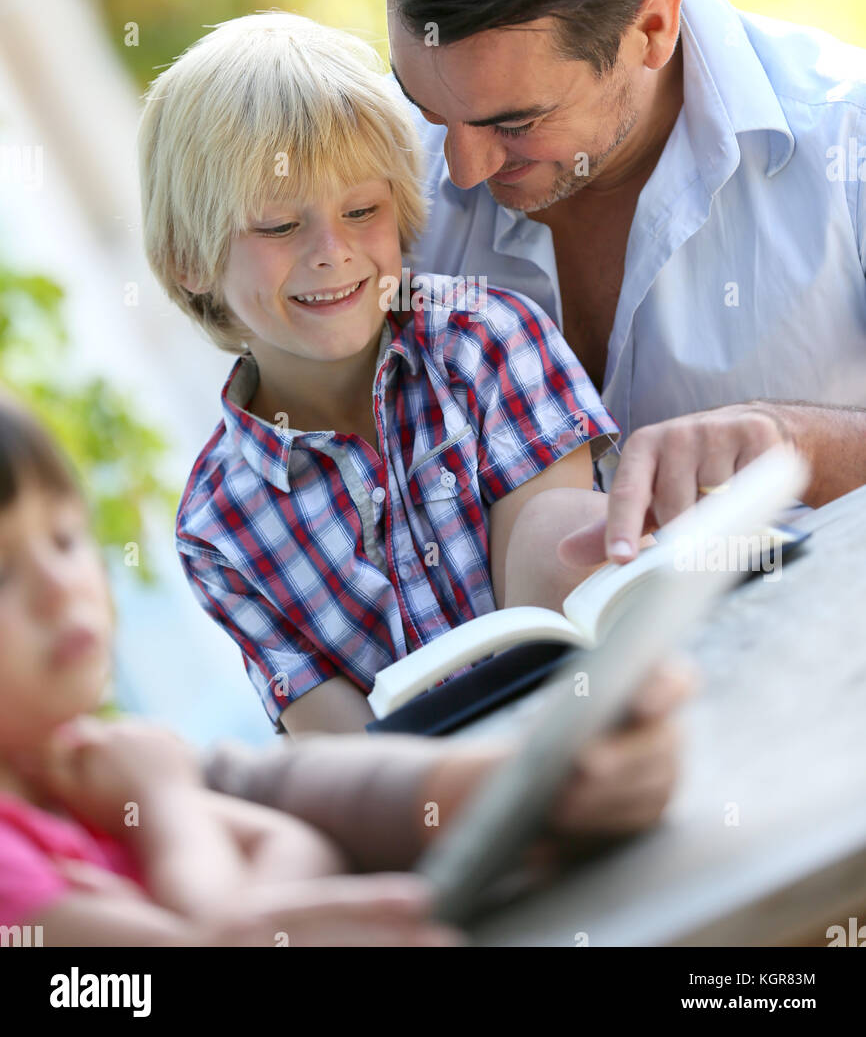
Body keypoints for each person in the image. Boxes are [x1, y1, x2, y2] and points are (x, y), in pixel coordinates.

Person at [362, 0, 866, 572]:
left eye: (514, 124)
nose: (457, 168)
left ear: (653, 29)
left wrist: (797, 444)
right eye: (419, 99)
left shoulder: (848, 138)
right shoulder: (376, 207)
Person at [0, 389, 689, 946]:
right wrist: (170, 810)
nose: (61, 584)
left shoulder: (76, 765)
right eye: (2, 571)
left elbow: (289, 815)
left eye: (64, 538)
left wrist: (531, 781)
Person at [137, 11, 660, 736]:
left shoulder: (486, 340)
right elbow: (344, 748)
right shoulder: (218, 525)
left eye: (361, 210)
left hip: (587, 713)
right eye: (280, 227)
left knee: (572, 531)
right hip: (436, 801)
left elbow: (555, 575)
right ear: (189, 260)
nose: (332, 251)